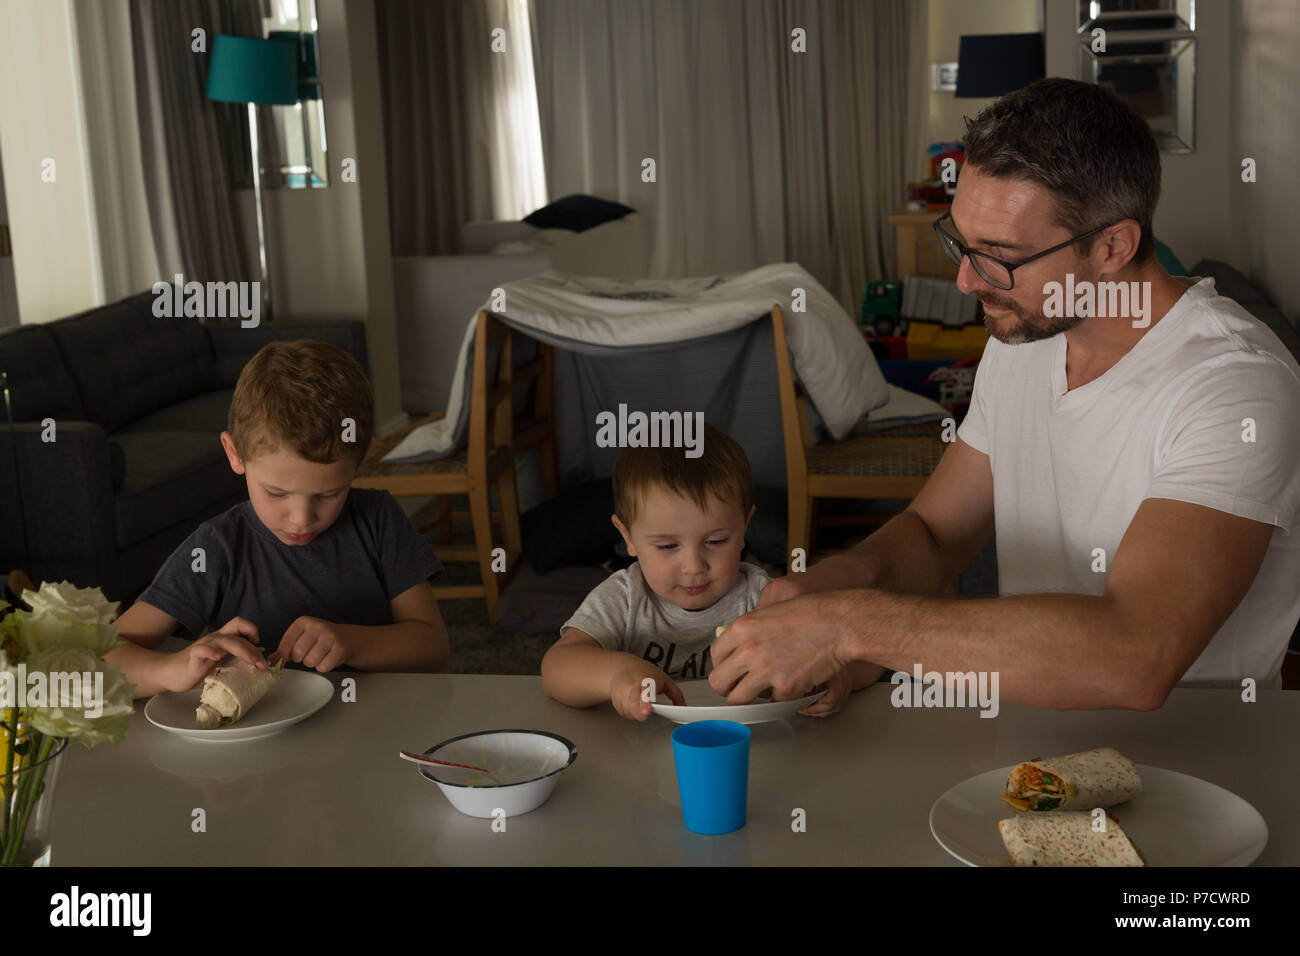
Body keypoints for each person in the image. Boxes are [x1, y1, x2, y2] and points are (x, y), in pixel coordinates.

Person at [710, 77, 1300, 710]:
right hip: (1030, 758)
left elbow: (1136, 654)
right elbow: (936, 533)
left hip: (1199, 777)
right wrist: (832, 585)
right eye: (960, 241)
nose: (966, 280)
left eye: (997, 256)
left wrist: (850, 628)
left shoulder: (1235, 385)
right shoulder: (1026, 336)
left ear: (1113, 246)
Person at [107, 340, 449, 698]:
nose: (302, 519)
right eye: (276, 493)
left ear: (359, 463)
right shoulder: (213, 550)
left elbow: (432, 647)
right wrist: (170, 668)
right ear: (234, 454)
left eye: (328, 493)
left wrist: (352, 642)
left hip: (376, 727)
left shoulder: (378, 521)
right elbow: (96, 662)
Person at [542, 422, 880, 720]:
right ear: (627, 537)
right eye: (667, 546)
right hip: (639, 748)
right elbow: (556, 668)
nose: (694, 567)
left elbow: (866, 656)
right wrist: (615, 675)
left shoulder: (763, 596)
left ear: (744, 526)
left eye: (716, 541)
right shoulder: (625, 597)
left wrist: (840, 677)